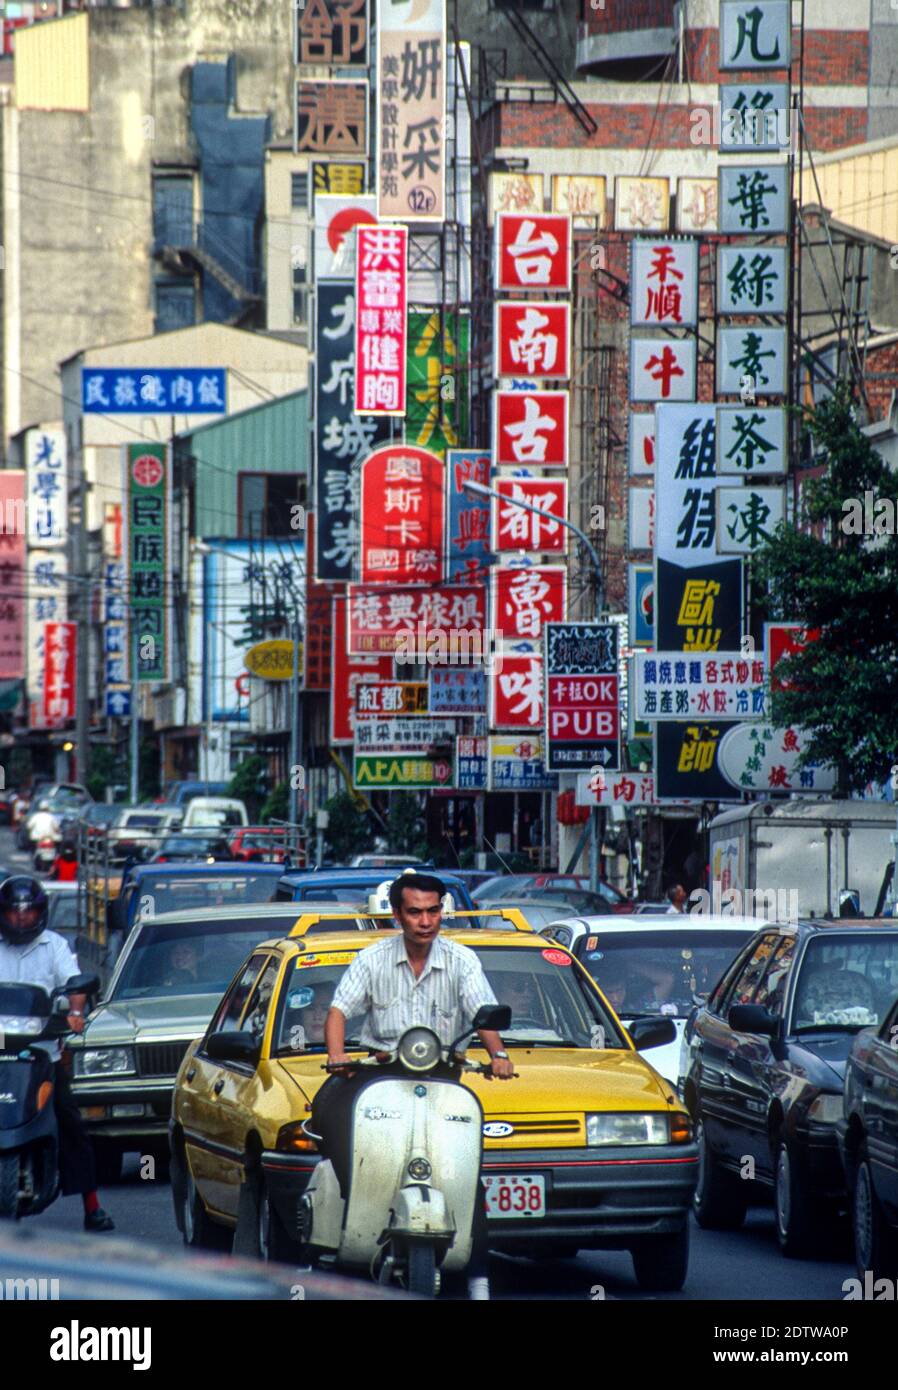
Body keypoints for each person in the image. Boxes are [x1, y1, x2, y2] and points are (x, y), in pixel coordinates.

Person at [314, 871, 514, 1301]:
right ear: (397, 915)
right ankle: (350, 1218)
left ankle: (477, 1273)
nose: (426, 921)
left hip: (442, 1078)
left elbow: (483, 1013)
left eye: (433, 911)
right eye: (415, 912)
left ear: (442, 911)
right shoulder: (373, 959)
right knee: (328, 1113)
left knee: (468, 1170)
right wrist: (337, 1057)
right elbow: (337, 1012)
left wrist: (498, 1056)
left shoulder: (462, 960)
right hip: (379, 1075)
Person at [0, 876, 114, 1231]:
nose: (21, 919)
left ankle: (91, 1205)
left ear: (40, 912)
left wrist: (75, 1013)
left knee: (70, 1121)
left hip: (41, 1047)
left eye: (28, 911)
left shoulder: (55, 946)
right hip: (0, 1045)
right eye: (13, 913)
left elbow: (74, 983)